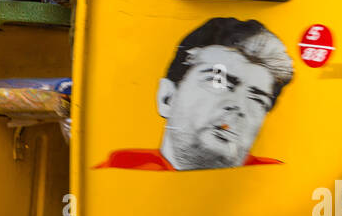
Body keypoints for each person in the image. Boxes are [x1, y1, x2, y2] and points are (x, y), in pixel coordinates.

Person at [97, 17, 293, 171]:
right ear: (167, 98)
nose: (239, 106)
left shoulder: (282, 185)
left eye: (257, 100)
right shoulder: (115, 177)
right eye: (219, 81)